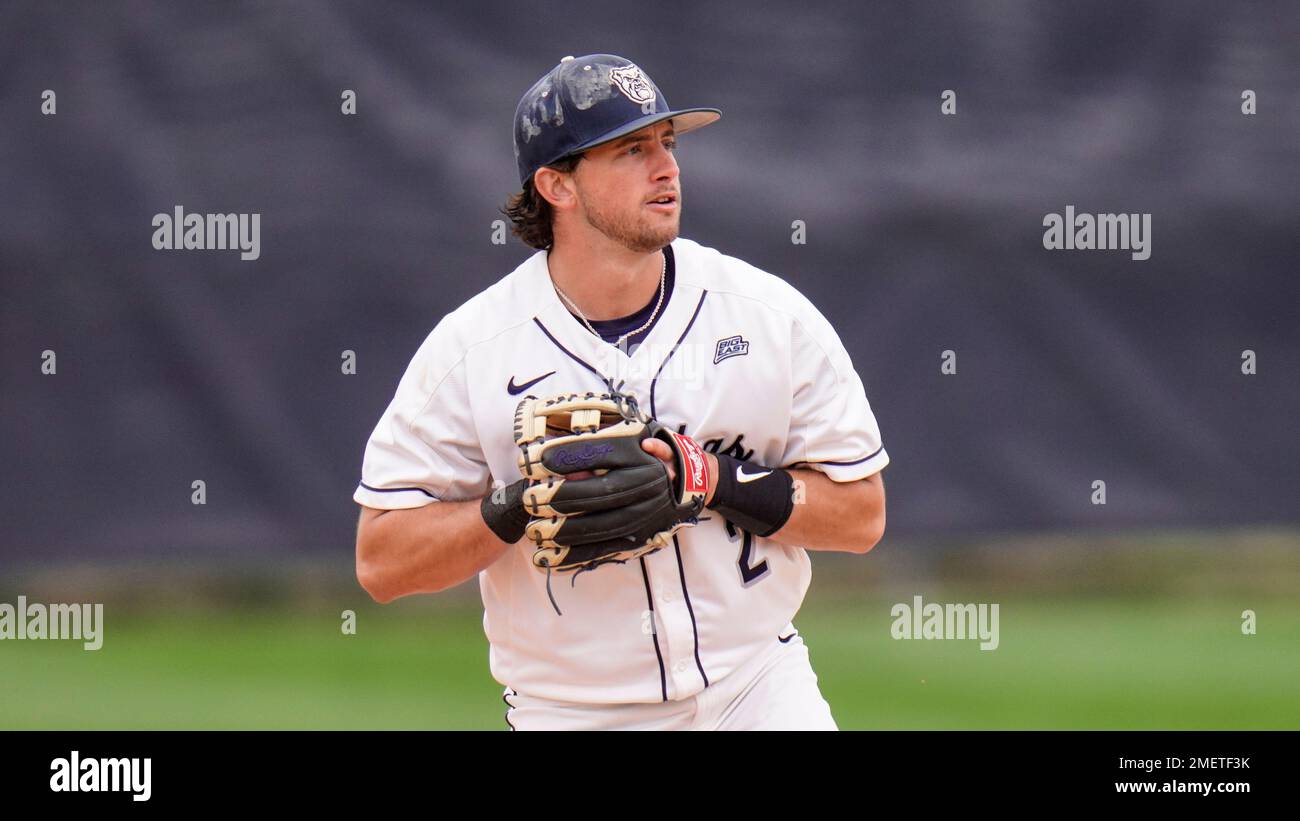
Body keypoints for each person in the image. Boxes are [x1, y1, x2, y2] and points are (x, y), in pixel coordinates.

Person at [353, 54, 889, 730]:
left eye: (667, 143)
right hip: (572, 712)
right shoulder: (473, 350)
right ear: (557, 185)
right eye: (632, 150)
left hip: (757, 688)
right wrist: (519, 506)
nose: (667, 168)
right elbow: (381, 561)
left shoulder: (764, 315)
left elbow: (862, 514)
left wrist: (713, 478)